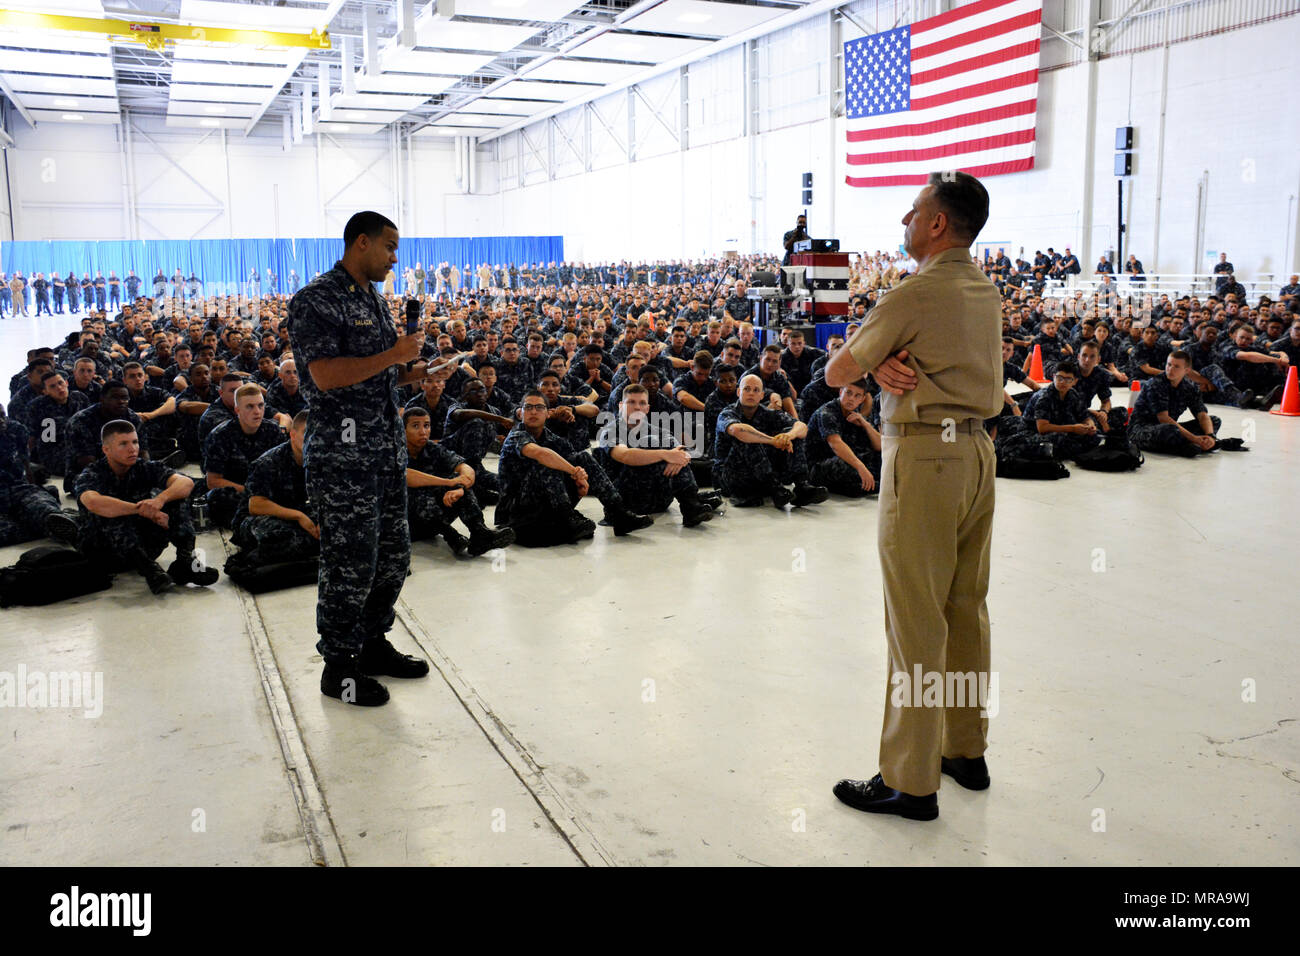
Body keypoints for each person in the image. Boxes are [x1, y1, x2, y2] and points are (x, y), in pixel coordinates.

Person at [824, 171, 1002, 821]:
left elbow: (835, 370)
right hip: (978, 455)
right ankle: (963, 749)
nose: (905, 216)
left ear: (935, 224)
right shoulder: (984, 290)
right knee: (964, 610)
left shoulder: (915, 293)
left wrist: (872, 360)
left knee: (915, 623)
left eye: (914, 209)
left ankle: (910, 779)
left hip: (925, 457)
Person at [287, 211, 432, 707]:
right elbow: (324, 376)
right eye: (390, 247)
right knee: (350, 563)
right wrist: (393, 356)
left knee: (392, 558)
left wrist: (415, 373)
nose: (395, 258)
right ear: (362, 242)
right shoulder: (316, 300)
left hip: (384, 452)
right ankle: (340, 667)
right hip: (344, 460)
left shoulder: (371, 298)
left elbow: (375, 376)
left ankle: (372, 645)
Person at [75, 419, 218, 594]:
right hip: (105, 552)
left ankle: (185, 561)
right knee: (109, 510)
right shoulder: (92, 474)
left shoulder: (143, 467)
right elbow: (93, 502)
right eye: (123, 444)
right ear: (106, 449)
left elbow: (185, 483)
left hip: (145, 546)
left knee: (175, 499)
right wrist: (144, 510)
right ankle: (149, 570)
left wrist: (160, 500)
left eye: (135, 442)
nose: (132, 448)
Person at [496, 389, 652, 546]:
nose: (533, 411)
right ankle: (567, 518)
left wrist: (581, 482)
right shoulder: (516, 435)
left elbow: (578, 464)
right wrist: (574, 471)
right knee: (546, 463)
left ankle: (618, 513)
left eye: (539, 407)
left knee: (583, 457)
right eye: (528, 407)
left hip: (544, 503)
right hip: (516, 510)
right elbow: (542, 454)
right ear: (520, 413)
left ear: (548, 413)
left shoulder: (552, 438)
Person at [593, 384, 720, 527]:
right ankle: (694, 501)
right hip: (626, 501)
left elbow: (682, 452)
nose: (637, 407)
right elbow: (625, 455)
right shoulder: (610, 430)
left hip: (660, 500)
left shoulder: (656, 430)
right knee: (649, 445)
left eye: (642, 403)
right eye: (631, 402)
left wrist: (676, 457)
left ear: (647, 408)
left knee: (673, 453)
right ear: (621, 405)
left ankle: (691, 507)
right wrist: (666, 455)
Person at [403, 407, 514, 556]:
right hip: (408, 525)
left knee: (457, 485)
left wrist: (459, 487)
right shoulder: (395, 452)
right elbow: (407, 476)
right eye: (415, 426)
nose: (423, 431)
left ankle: (479, 534)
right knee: (417, 491)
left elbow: (467, 469)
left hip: (433, 519)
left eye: (427, 425)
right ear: (402, 430)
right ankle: (450, 535)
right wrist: (448, 483)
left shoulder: (432, 448)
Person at [714, 374, 825, 508]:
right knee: (748, 436)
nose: (751, 393)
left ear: (762, 395)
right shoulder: (727, 413)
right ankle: (774, 488)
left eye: (756, 390)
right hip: (731, 476)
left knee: (790, 431)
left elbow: (802, 427)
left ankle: (802, 486)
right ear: (739, 392)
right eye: (746, 389)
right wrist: (773, 441)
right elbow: (738, 430)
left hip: (759, 474)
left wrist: (788, 436)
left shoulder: (767, 413)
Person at [202, 383, 286, 530]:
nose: (257, 411)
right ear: (237, 410)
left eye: (261, 405)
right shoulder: (220, 435)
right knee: (217, 497)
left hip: (267, 491)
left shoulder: (273, 431)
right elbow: (213, 481)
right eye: (250, 406)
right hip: (239, 491)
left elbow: (285, 470)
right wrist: (250, 492)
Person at [239, 411, 319, 562]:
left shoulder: (320, 461)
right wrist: (298, 516)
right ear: (293, 435)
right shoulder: (268, 462)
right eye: (307, 434)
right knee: (283, 537)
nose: (313, 440)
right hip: (260, 518)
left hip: (298, 512)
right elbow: (255, 505)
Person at [0, 408, 80, 547]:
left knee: (42, 507)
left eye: (2, 415)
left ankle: (57, 522)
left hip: (17, 487)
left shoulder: (15, 429)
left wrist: (35, 488)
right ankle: (42, 527)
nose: (1, 421)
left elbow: (26, 463)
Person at [1128, 351, 1222, 456]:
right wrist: (1194, 438)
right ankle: (1186, 446)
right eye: (1169, 364)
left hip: (1170, 428)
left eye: (1176, 366)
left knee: (1214, 421)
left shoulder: (1190, 387)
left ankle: (1193, 443)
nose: (1170, 369)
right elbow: (1163, 418)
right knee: (1169, 430)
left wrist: (1210, 436)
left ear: (1186, 370)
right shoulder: (1156, 384)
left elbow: (1202, 414)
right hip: (1142, 429)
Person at [805, 380, 882, 496]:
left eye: (857, 396)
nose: (851, 398)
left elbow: (880, 446)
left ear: (862, 399)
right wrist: (861, 467)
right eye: (848, 393)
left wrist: (865, 424)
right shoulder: (827, 412)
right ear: (841, 392)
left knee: (881, 458)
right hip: (818, 466)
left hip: (842, 460)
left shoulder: (855, 414)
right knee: (846, 465)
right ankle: (871, 486)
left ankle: (863, 486)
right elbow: (836, 444)